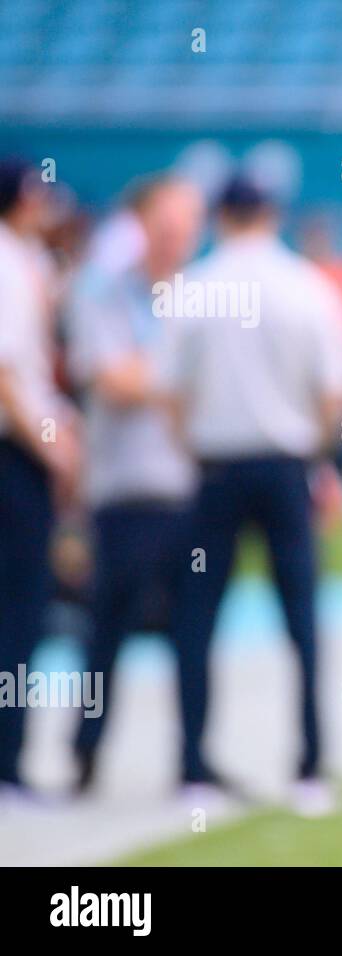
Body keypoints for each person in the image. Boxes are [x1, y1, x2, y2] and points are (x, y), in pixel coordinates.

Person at [161, 176, 342, 813]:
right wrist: (318, 454)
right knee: (300, 618)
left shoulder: (195, 285)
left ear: (222, 214)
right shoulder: (304, 283)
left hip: (216, 466)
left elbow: (168, 389)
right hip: (284, 464)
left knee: (197, 620)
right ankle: (309, 769)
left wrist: (192, 446)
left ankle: (192, 768)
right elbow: (335, 389)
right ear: (271, 213)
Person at [64, 175, 206, 792]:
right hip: (124, 489)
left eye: (186, 221)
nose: (177, 233)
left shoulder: (202, 294)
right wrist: (177, 382)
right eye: (166, 220)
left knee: (194, 633)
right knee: (107, 631)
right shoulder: (104, 291)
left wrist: (162, 381)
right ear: (142, 223)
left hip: (187, 488)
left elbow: (145, 379)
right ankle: (85, 754)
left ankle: (193, 764)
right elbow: (111, 379)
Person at [0, 157, 79, 802]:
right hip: (13, 455)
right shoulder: (9, 263)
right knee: (19, 611)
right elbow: (5, 375)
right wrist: (51, 448)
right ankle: (7, 759)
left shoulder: (25, 261)